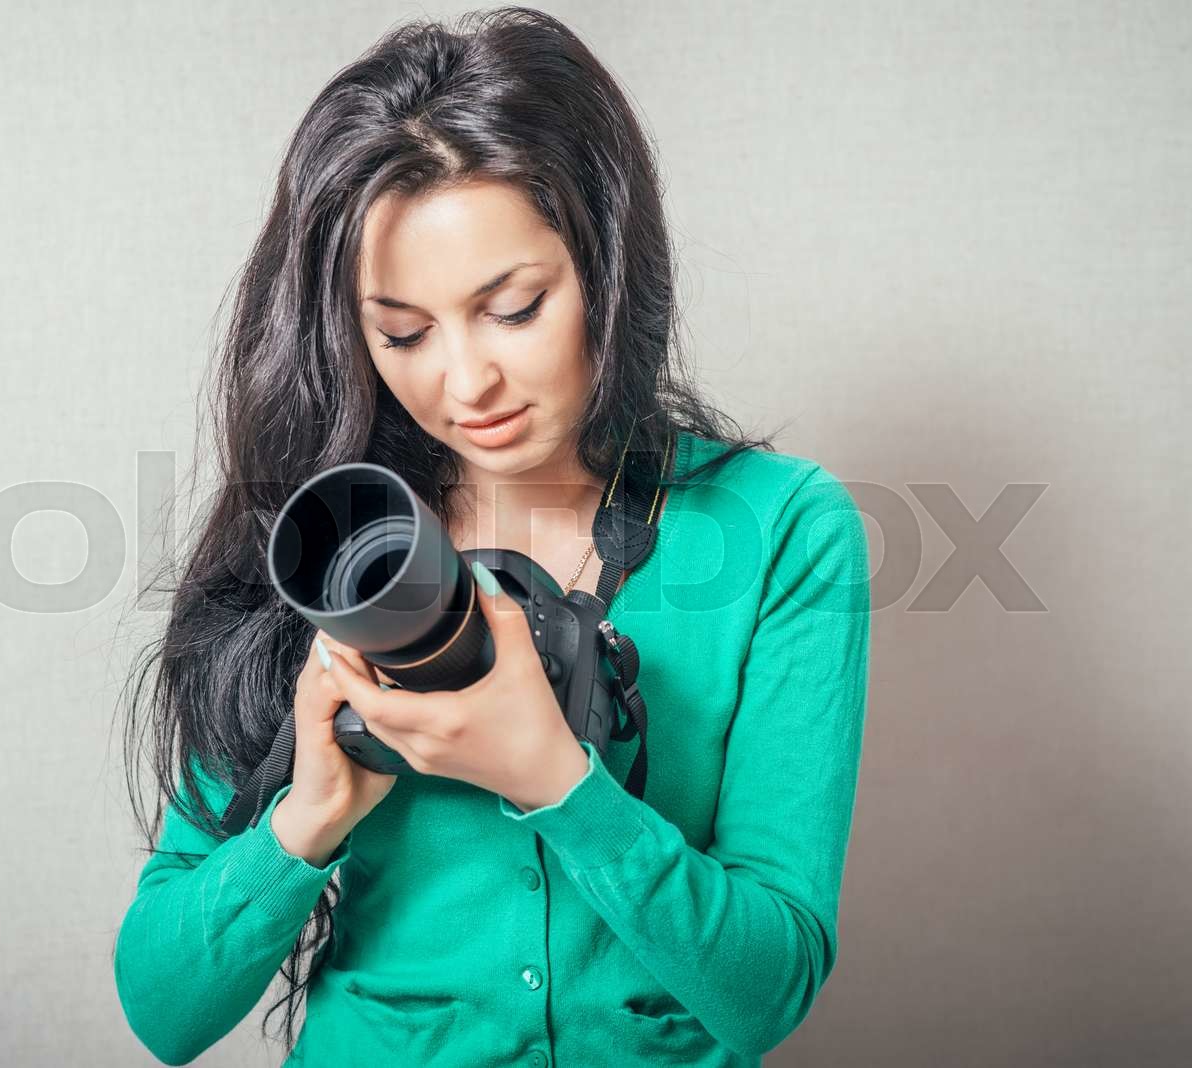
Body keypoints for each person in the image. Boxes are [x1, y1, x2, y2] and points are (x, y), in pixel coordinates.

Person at [112, 8, 871, 1066]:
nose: (464, 385)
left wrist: (557, 780)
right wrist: (306, 821)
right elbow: (161, 1008)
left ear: (607, 270)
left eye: (513, 308)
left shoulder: (783, 528)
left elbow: (768, 990)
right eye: (403, 334)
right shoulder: (332, 540)